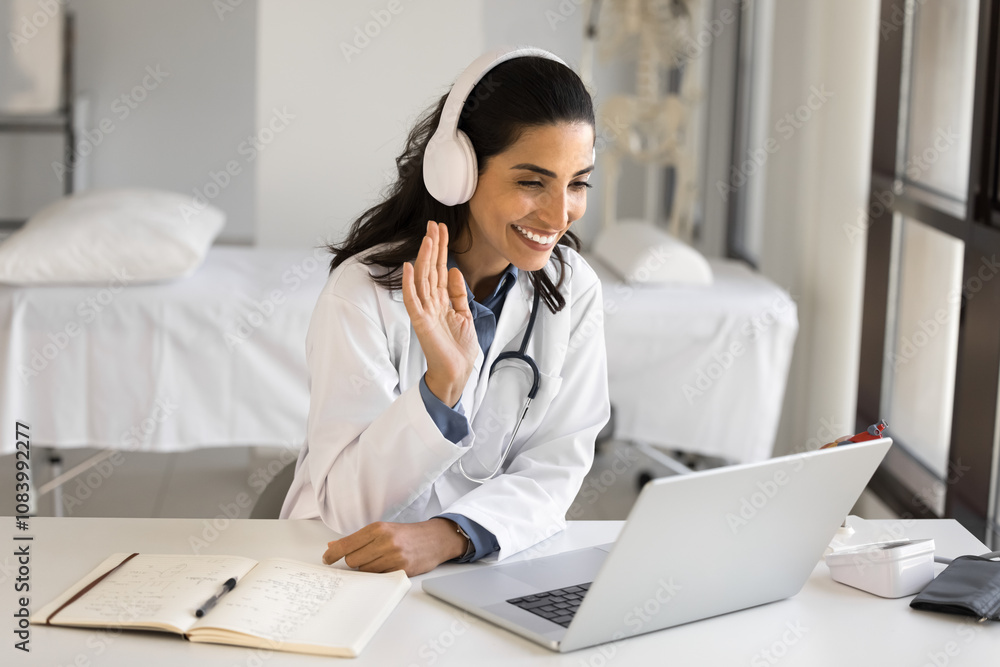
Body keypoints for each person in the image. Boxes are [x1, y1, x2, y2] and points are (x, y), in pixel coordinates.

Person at [280, 47, 610, 576]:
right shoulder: (362, 294)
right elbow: (346, 509)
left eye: (577, 183)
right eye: (531, 181)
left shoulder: (572, 289)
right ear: (457, 171)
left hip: (482, 562)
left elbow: (556, 467)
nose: (558, 214)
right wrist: (442, 388)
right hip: (342, 569)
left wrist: (449, 536)